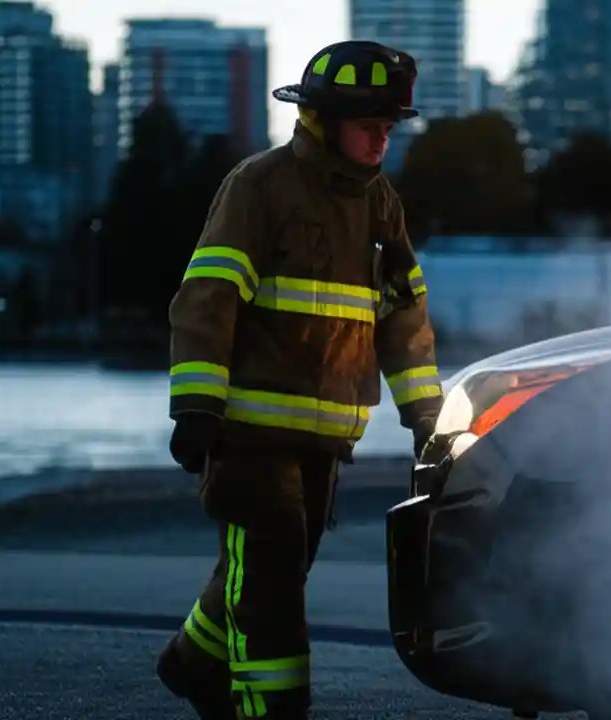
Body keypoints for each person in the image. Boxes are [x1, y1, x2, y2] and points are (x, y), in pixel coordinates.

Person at [154, 40, 444, 720]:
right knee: (273, 578)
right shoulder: (261, 186)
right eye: (368, 122)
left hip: (326, 437)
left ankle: (195, 661)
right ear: (323, 119)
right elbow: (210, 294)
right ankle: (271, 709)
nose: (381, 137)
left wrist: (426, 416)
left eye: (389, 125)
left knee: (272, 566)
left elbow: (404, 315)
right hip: (249, 433)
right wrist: (196, 405)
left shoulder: (381, 205)